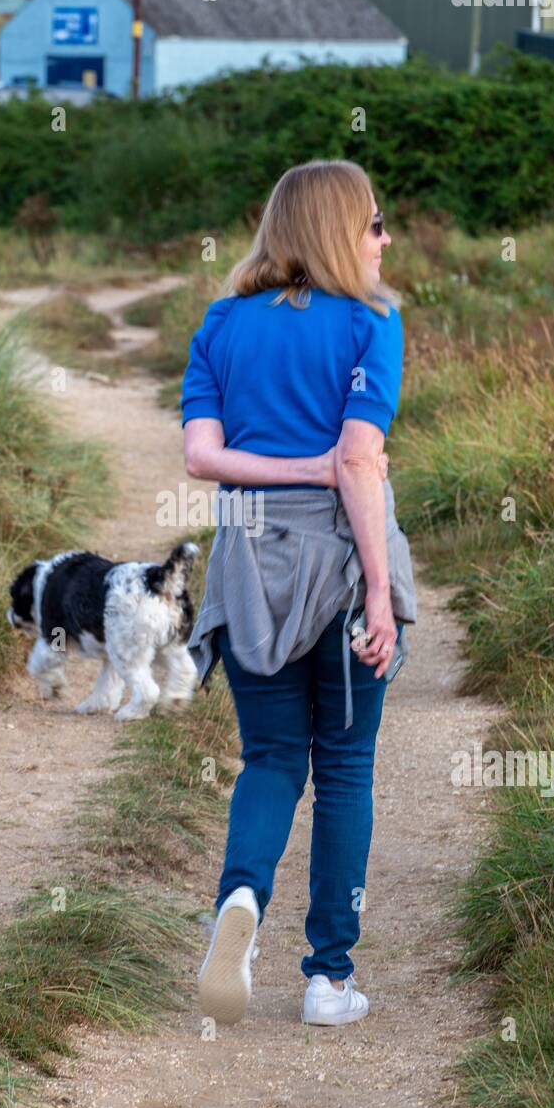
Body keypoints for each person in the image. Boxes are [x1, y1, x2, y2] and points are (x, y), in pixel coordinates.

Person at [180, 159, 417, 1027]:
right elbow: (356, 461)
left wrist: (290, 465)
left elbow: (202, 457)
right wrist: (382, 596)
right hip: (343, 562)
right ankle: (328, 979)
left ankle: (238, 903)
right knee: (345, 770)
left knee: (272, 759)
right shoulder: (371, 322)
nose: (385, 238)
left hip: (247, 562)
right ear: (337, 231)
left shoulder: (223, 322)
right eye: (375, 222)